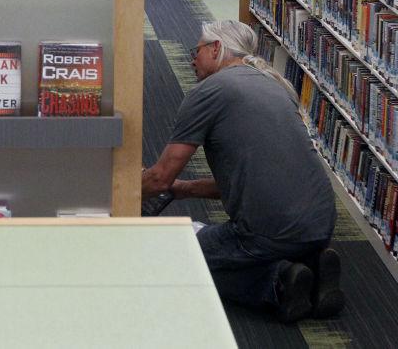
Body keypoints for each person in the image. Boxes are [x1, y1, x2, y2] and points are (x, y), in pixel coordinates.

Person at [141, 20, 343, 323]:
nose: (192, 60)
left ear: (216, 48)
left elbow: (159, 177)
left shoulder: (209, 91)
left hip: (267, 232)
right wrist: (184, 189)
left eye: (195, 51)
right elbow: (248, 176)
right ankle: (313, 264)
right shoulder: (275, 85)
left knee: (170, 255)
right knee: (252, 242)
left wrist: (115, 195)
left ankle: (278, 283)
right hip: (322, 222)